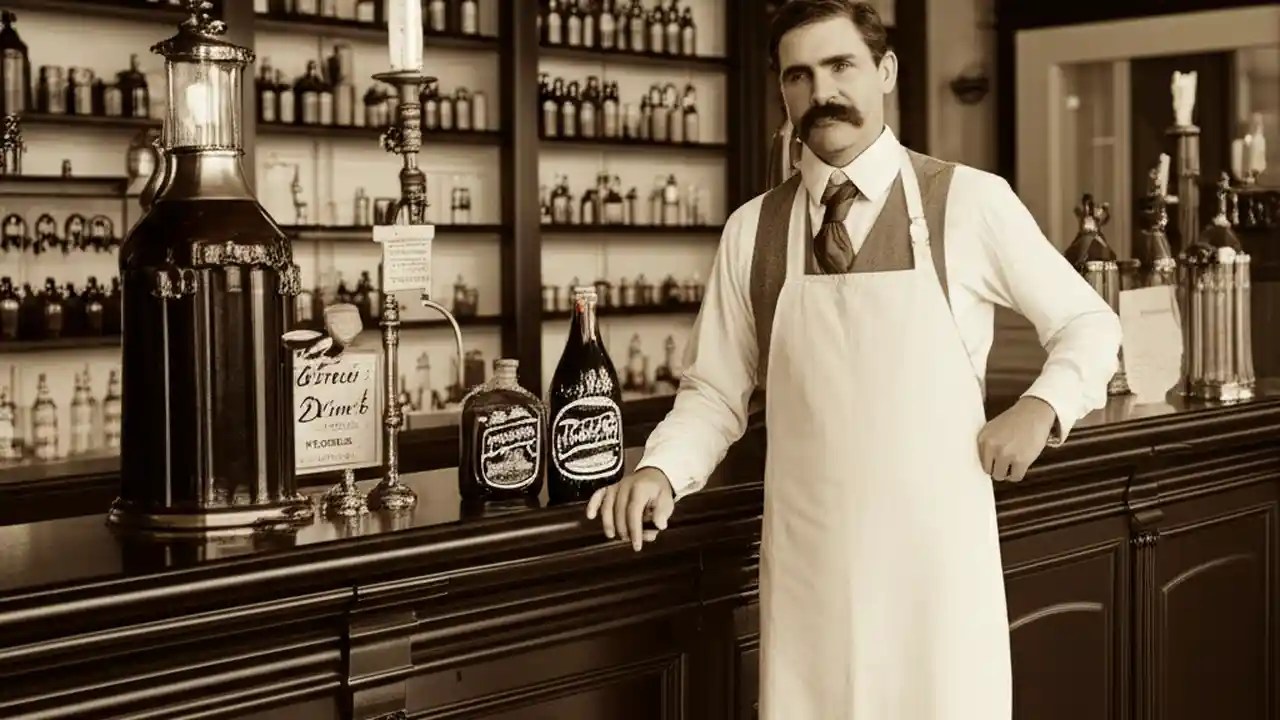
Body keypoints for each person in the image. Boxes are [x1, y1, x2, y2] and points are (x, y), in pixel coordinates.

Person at [585, 0, 1123, 717]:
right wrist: (661, 469)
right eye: (799, 75)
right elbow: (715, 392)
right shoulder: (754, 231)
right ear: (782, 90)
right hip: (811, 580)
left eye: (841, 66)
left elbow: (1090, 322)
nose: (821, 92)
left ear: (886, 72)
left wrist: (1040, 406)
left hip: (936, 577)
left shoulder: (968, 203)